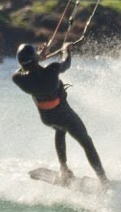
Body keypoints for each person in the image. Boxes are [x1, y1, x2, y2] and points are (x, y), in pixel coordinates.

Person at [11, 42, 108, 185]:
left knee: (60, 130)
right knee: (87, 143)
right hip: (63, 114)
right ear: (34, 58)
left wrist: (37, 58)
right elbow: (66, 63)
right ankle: (104, 181)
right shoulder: (52, 70)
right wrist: (65, 49)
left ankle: (64, 170)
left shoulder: (18, 78)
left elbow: (26, 69)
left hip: (46, 117)